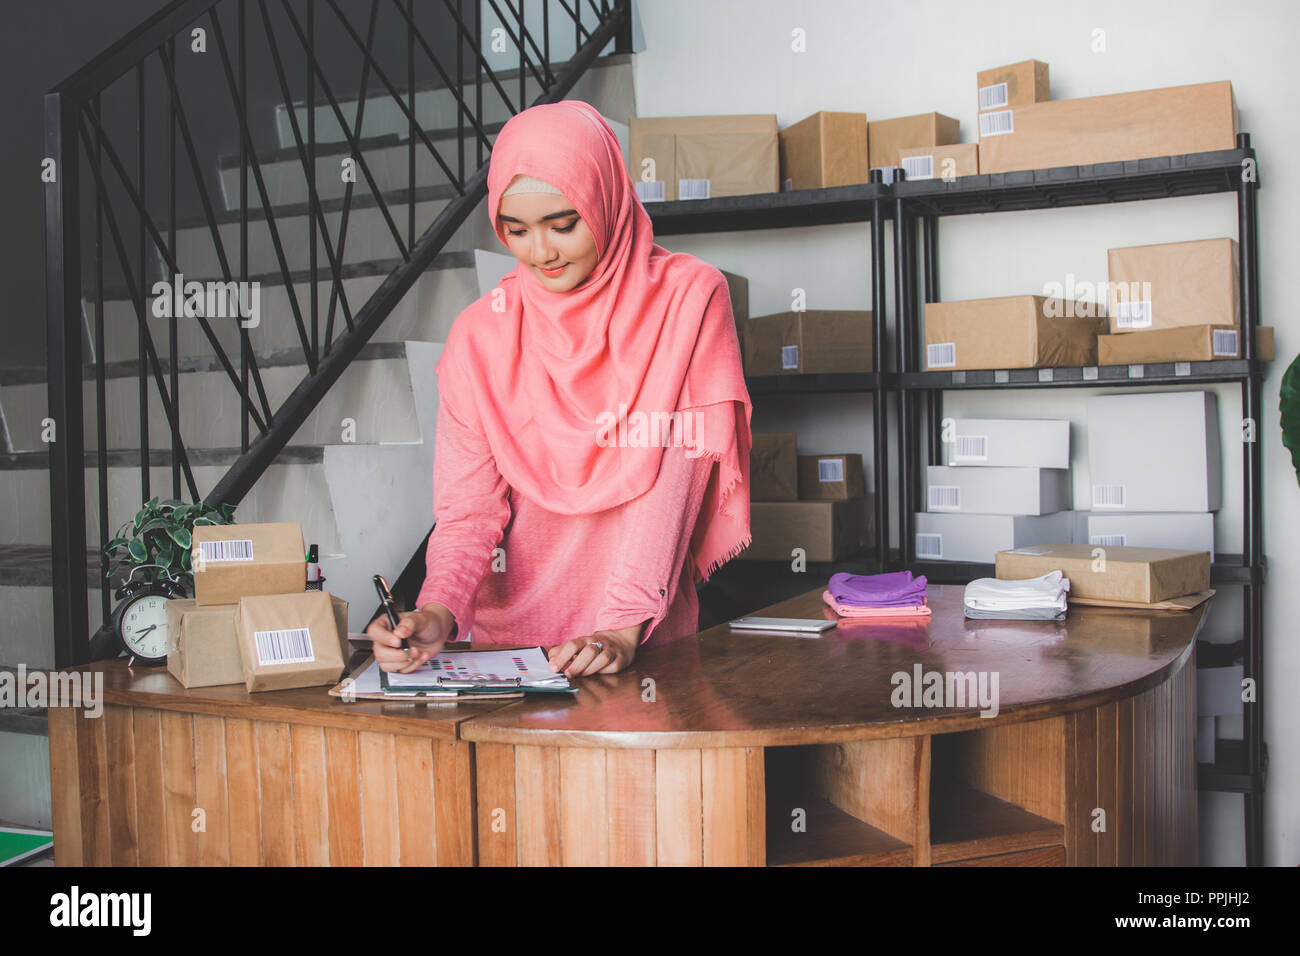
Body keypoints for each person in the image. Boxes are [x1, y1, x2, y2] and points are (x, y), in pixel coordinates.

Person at [367, 100, 752, 679]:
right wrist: (440, 610)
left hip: (635, 643)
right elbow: (470, 509)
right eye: (516, 231)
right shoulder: (481, 332)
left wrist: (622, 626)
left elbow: (672, 484)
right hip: (509, 655)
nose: (540, 252)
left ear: (606, 200)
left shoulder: (688, 300)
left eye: (563, 224)